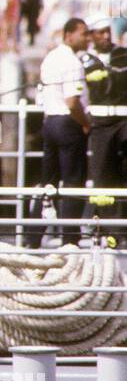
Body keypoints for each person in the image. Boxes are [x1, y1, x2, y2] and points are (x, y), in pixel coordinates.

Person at [28, 17, 91, 247]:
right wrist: (85, 123)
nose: (87, 38)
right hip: (67, 124)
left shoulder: (50, 58)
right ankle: (70, 239)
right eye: (83, 33)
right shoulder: (73, 63)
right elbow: (73, 102)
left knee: (48, 183)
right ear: (69, 35)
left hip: (50, 122)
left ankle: (32, 237)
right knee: (73, 182)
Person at [82, 19, 127, 216]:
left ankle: (121, 224)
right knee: (101, 174)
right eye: (100, 32)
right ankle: (105, 225)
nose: (106, 36)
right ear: (91, 35)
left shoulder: (123, 55)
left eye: (107, 31)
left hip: (124, 121)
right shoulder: (84, 60)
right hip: (100, 123)